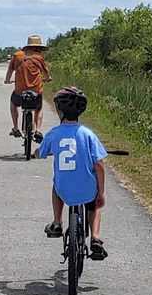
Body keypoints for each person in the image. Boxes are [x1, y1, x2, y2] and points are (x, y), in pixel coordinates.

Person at [38, 86, 109, 260]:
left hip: (64, 188)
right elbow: (99, 165)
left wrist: (38, 152)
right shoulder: (88, 134)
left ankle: (57, 222)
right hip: (86, 188)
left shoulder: (54, 134)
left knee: (56, 187)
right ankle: (96, 238)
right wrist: (101, 192)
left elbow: (41, 152)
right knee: (94, 205)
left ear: (60, 110)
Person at [4, 34, 51, 141]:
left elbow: (10, 70)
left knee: (13, 104)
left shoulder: (17, 56)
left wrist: (7, 80)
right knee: (38, 109)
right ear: (39, 48)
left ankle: (16, 127)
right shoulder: (39, 58)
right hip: (36, 92)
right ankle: (38, 130)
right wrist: (48, 78)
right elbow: (46, 73)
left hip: (19, 93)